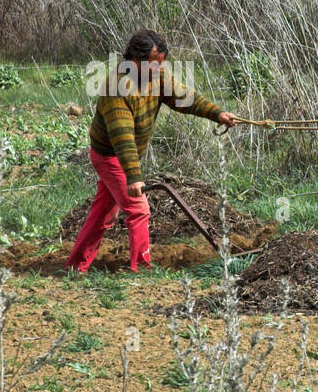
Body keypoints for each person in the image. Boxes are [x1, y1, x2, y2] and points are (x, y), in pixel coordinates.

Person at [66, 30, 237, 273]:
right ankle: (142, 270)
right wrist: (134, 178)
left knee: (104, 214)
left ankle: (76, 266)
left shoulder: (156, 77)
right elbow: (123, 139)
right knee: (138, 208)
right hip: (110, 155)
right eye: (154, 64)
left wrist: (216, 113)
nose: (159, 69)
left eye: (162, 64)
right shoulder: (118, 88)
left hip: (125, 156)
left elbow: (186, 98)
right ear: (135, 61)